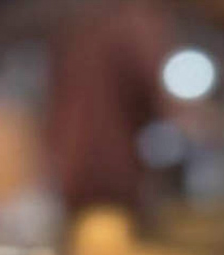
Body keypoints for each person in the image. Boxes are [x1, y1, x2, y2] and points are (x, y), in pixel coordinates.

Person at [47, 0, 173, 216]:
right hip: (110, 175)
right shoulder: (135, 21)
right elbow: (163, 96)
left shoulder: (83, 25)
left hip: (70, 171)